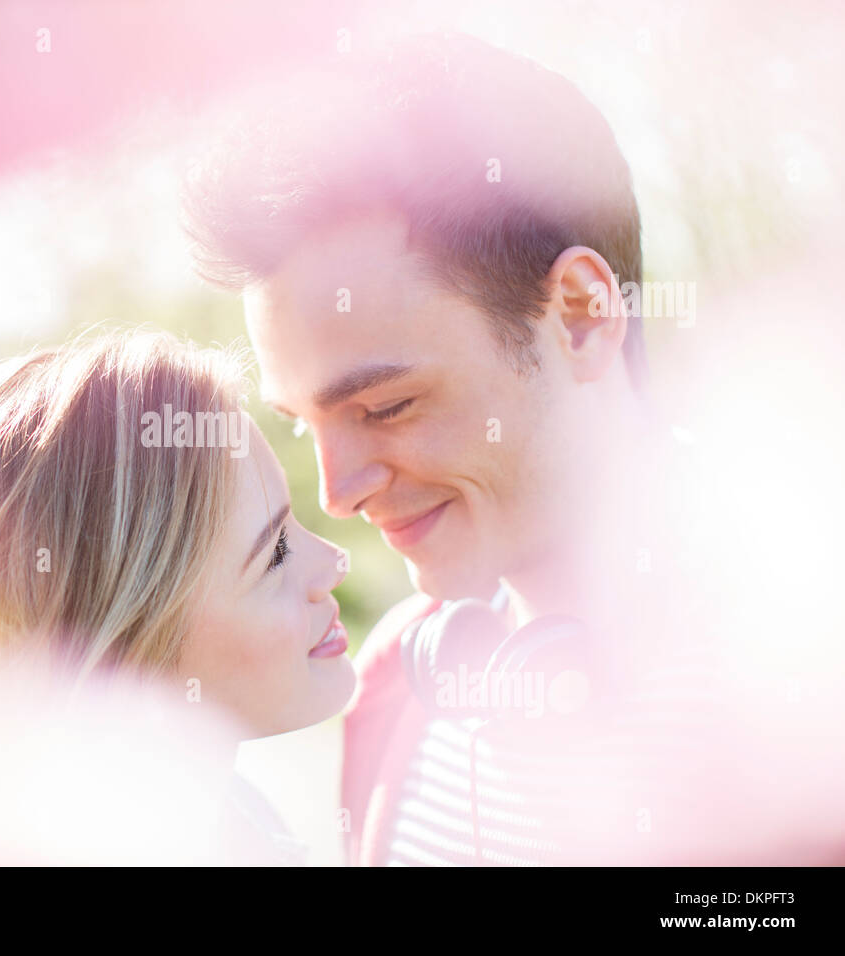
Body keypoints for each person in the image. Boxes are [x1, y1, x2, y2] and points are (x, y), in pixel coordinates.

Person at [183, 34, 746, 864]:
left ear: (582, 313)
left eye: (385, 405)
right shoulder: (395, 683)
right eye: (304, 424)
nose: (337, 494)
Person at [0, 329, 353, 864]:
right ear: (114, 657)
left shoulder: (234, 817)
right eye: (275, 554)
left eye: (294, 525)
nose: (335, 561)